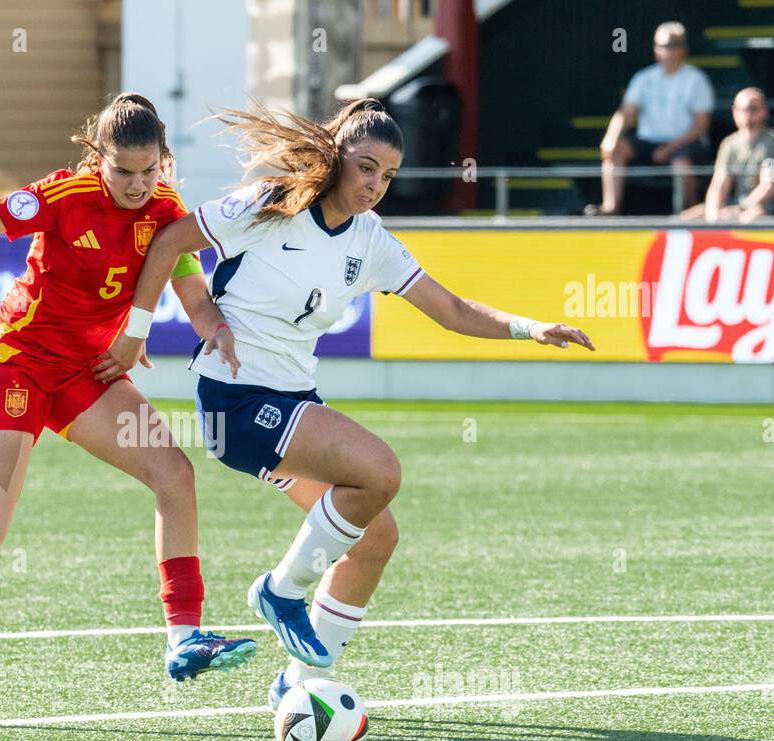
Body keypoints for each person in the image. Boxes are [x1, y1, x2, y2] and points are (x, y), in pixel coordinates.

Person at [116, 98, 594, 709]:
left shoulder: (370, 241)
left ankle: (300, 685)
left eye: (388, 176)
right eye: (366, 167)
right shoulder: (271, 202)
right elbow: (166, 244)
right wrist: (142, 331)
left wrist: (530, 328)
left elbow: (450, 311)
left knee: (374, 536)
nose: (375, 185)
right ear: (337, 157)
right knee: (380, 471)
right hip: (235, 402)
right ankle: (281, 592)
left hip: (289, 403)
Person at [0, 93, 257, 715]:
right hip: (16, 364)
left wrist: (215, 328)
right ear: (97, 159)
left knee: (175, 473)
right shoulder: (63, 196)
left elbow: (193, 295)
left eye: (150, 170)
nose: (139, 185)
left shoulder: (168, 213)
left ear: (164, 162)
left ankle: (184, 638)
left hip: (87, 373)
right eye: (124, 172)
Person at [590, 22, 714, 216]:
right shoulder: (643, 78)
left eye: (674, 45)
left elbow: (701, 125)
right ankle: (610, 208)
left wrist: (670, 148)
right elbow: (626, 112)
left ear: (684, 49)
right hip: (648, 141)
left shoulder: (696, 80)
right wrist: (611, 139)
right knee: (616, 150)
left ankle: (686, 214)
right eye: (664, 46)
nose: (669, 51)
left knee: (681, 162)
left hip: (684, 142)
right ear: (656, 48)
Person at [680, 87, 774, 222]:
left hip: (765, 207)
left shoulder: (773, 140)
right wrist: (713, 214)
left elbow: (770, 185)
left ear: (764, 111)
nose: (747, 113)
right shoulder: (729, 143)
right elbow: (719, 183)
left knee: (748, 219)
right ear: (734, 112)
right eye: (742, 108)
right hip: (734, 204)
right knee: (685, 218)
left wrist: (740, 209)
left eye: (753, 108)